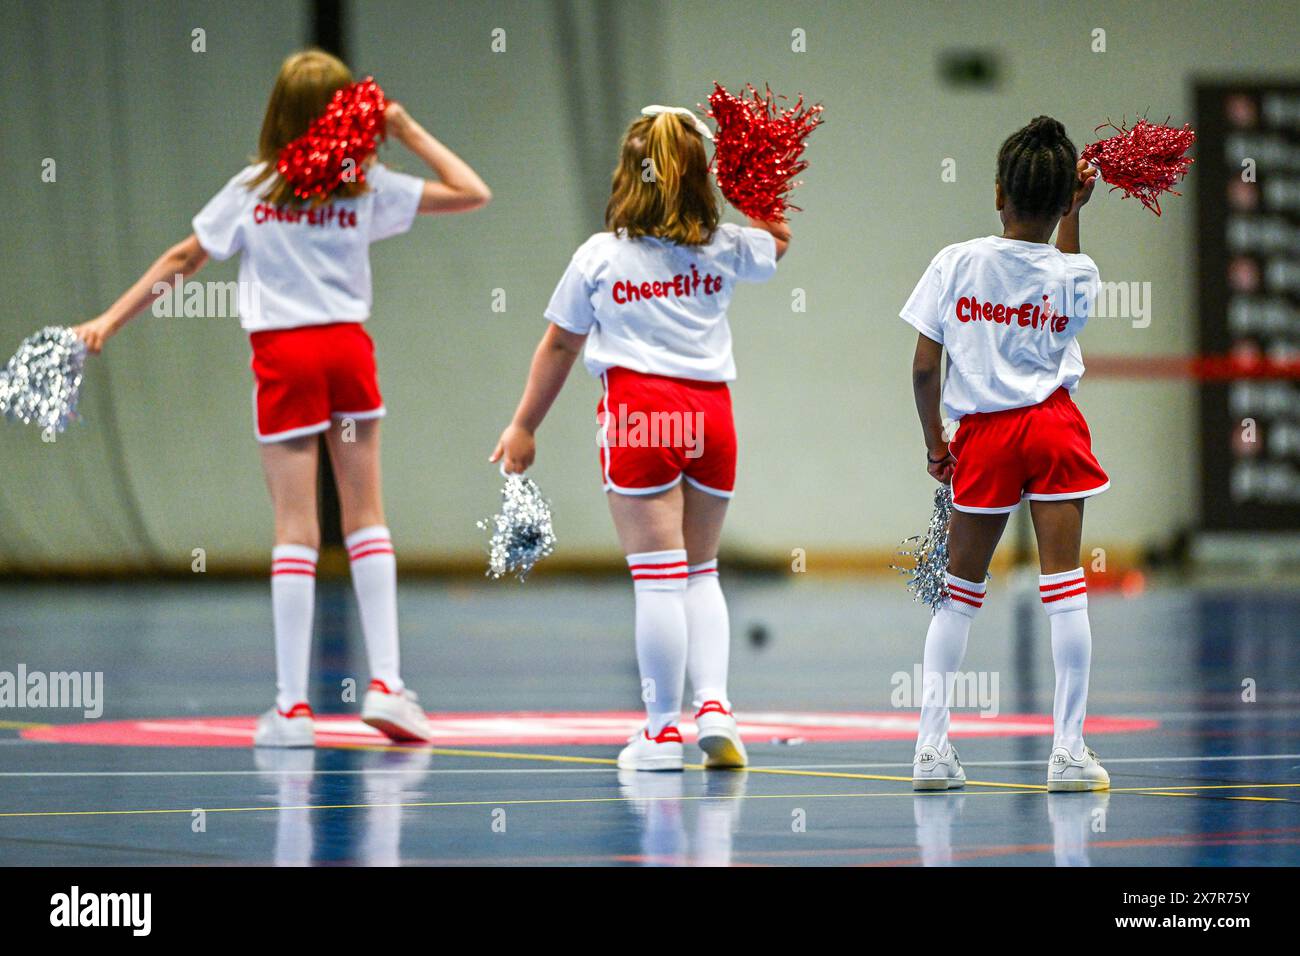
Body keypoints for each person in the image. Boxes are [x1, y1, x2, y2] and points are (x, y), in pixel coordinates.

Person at [73, 49, 491, 747]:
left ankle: (292, 709)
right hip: (348, 356)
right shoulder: (364, 185)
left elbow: (184, 259)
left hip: (285, 359)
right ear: (346, 114)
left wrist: (107, 322)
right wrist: (408, 128)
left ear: (277, 113)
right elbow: (472, 191)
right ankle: (386, 684)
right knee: (367, 518)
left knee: (297, 529)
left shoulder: (254, 189)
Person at [491, 106, 789, 771]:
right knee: (701, 570)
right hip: (712, 418)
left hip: (639, 414)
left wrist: (524, 425)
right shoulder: (725, 246)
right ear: (699, 179)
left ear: (629, 175)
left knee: (658, 582)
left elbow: (560, 343)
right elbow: (779, 239)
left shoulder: (600, 256)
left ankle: (659, 735)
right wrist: (749, 183)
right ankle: (714, 705)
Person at [901, 115, 1110, 791]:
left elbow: (924, 368)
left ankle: (931, 750)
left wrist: (936, 440)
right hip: (1053, 428)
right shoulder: (1080, 275)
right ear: (1062, 204)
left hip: (984, 435)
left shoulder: (955, 262)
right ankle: (1069, 754)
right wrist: (1074, 213)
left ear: (998, 193)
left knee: (957, 598)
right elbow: (1068, 269)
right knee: (1064, 589)